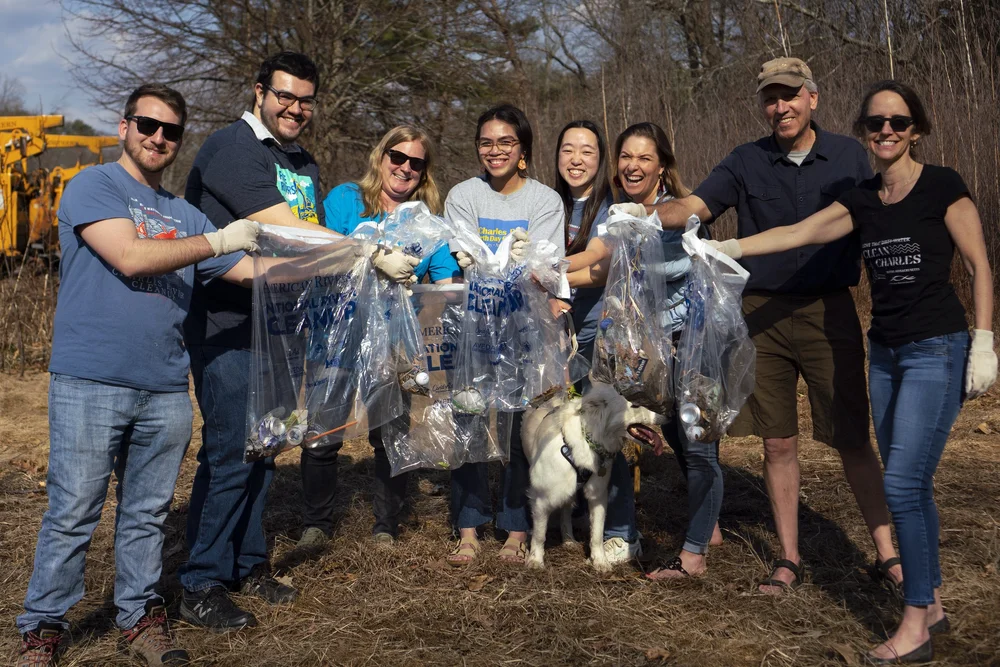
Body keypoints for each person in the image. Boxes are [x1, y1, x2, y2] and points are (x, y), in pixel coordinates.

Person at [709, 80, 995, 665]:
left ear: (916, 130)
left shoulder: (943, 186)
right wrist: (731, 249)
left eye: (898, 122)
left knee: (903, 484)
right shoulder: (863, 198)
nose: (886, 131)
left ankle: (914, 623)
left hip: (936, 348)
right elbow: (800, 232)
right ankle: (933, 602)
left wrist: (986, 340)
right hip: (885, 352)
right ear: (864, 131)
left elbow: (979, 266)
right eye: (875, 123)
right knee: (910, 482)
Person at [622, 57, 903, 593]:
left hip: (829, 311)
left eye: (790, 95)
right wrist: (646, 215)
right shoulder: (746, 160)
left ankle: (888, 553)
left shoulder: (849, 155)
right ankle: (788, 560)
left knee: (852, 439)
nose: (781, 107)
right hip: (761, 317)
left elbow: (880, 209)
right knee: (777, 442)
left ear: (812, 98)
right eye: (771, 99)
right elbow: (695, 205)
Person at [16, 84, 261, 667]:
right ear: (124, 127)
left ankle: (139, 618)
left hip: (166, 388)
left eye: (171, 130)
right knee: (73, 511)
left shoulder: (185, 214)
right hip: (91, 380)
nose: (158, 137)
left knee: (147, 515)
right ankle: (43, 630)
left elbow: (254, 271)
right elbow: (129, 256)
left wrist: (349, 262)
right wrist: (216, 240)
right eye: (147, 125)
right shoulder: (93, 186)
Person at [180, 52, 418, 631]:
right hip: (229, 327)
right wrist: (367, 252)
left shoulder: (302, 162)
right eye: (284, 96)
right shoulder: (232, 148)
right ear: (259, 92)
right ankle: (201, 582)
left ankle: (248, 564)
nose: (295, 108)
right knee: (231, 455)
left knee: (266, 450)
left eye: (305, 100)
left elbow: (309, 248)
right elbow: (286, 227)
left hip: (282, 330)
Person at [568, 122, 725, 575]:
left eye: (644, 158)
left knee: (699, 444)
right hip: (648, 351)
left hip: (691, 343)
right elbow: (598, 258)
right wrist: (546, 270)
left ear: (662, 167)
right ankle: (707, 520)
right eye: (626, 157)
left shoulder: (680, 215)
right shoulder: (619, 212)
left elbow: (674, 273)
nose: (632, 166)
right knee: (669, 433)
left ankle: (694, 551)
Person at [297, 125, 461, 549]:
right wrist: (370, 256)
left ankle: (385, 525)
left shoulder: (426, 222)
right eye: (397, 156)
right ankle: (316, 524)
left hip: (393, 347)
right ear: (381, 156)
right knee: (322, 434)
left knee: (390, 438)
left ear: (424, 171)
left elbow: (446, 285)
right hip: (336, 339)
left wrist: (474, 266)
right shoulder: (346, 200)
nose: (405, 167)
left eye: (416, 162)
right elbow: (323, 253)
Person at [443, 103, 565, 565]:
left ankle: (516, 527)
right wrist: (497, 262)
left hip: (524, 332)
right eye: (486, 143)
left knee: (519, 431)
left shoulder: (545, 201)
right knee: (469, 421)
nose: (495, 151)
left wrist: (526, 263)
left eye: (506, 142)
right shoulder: (463, 195)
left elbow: (546, 267)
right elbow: (464, 255)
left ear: (523, 150)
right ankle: (468, 526)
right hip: (473, 330)